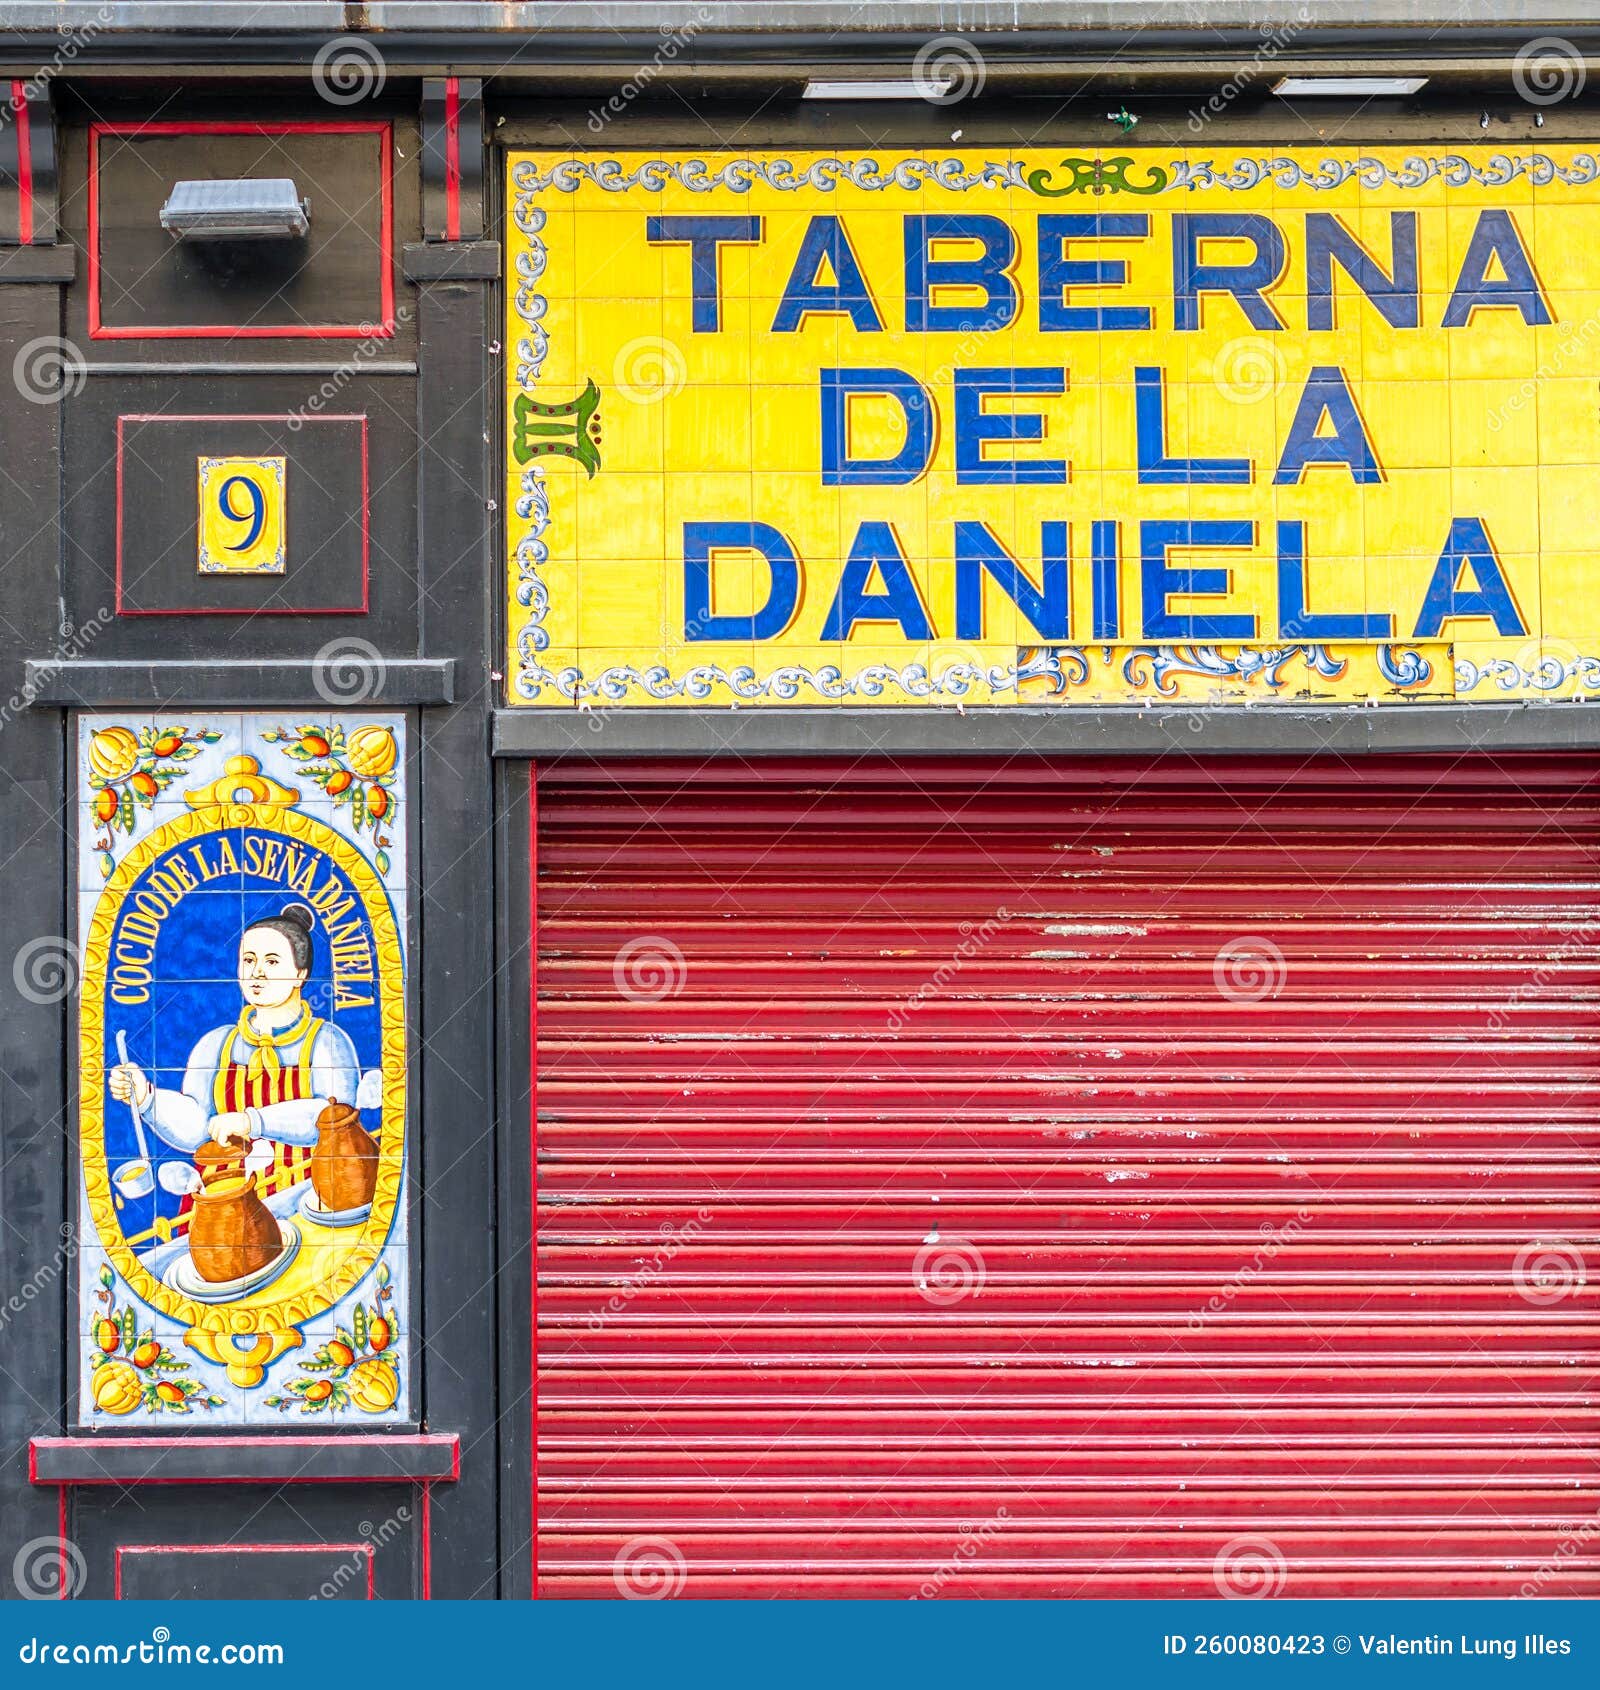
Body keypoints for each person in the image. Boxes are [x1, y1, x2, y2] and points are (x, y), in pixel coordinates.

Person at [108, 903, 359, 1184]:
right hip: (220, 1201)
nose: (257, 972)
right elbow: (198, 1130)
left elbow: (333, 1120)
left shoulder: (327, 1041)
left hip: (306, 1200)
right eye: (249, 960)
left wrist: (252, 1121)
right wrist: (147, 1099)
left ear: (301, 973)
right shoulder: (217, 1043)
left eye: (272, 962)